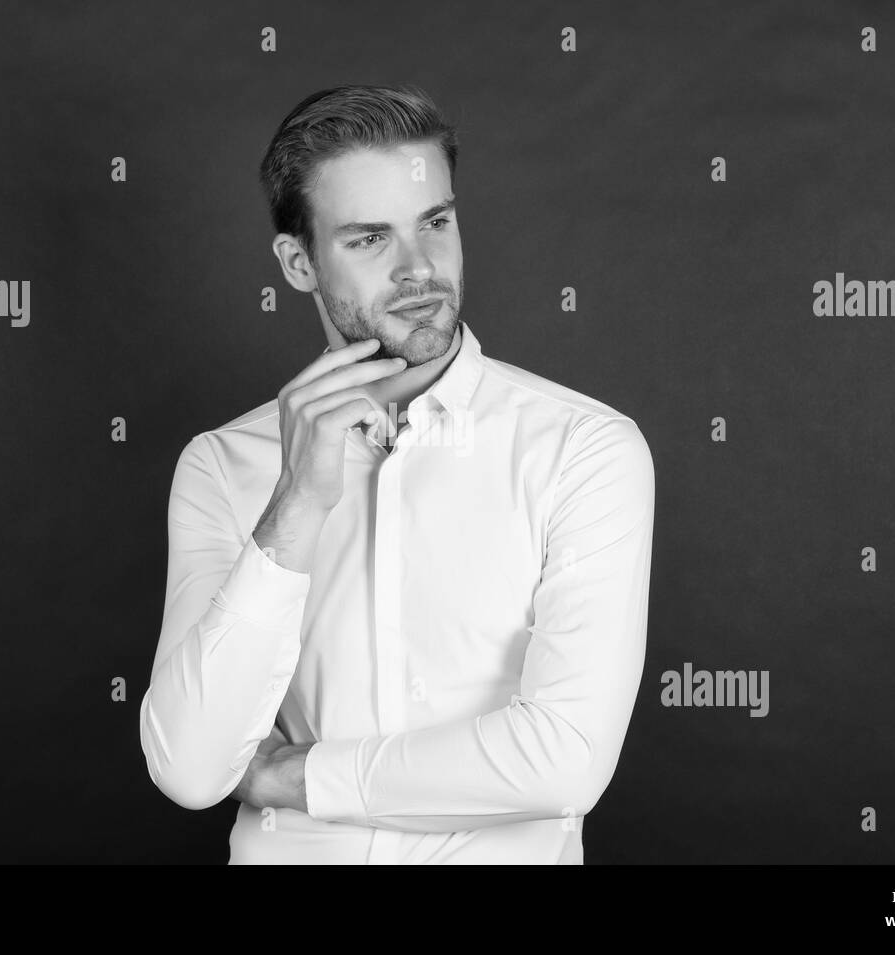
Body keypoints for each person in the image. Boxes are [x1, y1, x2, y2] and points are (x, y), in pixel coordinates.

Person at [138, 84, 656, 864]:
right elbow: (189, 766)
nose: (420, 268)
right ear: (298, 262)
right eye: (369, 239)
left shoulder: (584, 449)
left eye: (436, 223)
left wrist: (293, 775)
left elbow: (563, 757)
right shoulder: (224, 466)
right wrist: (296, 508)